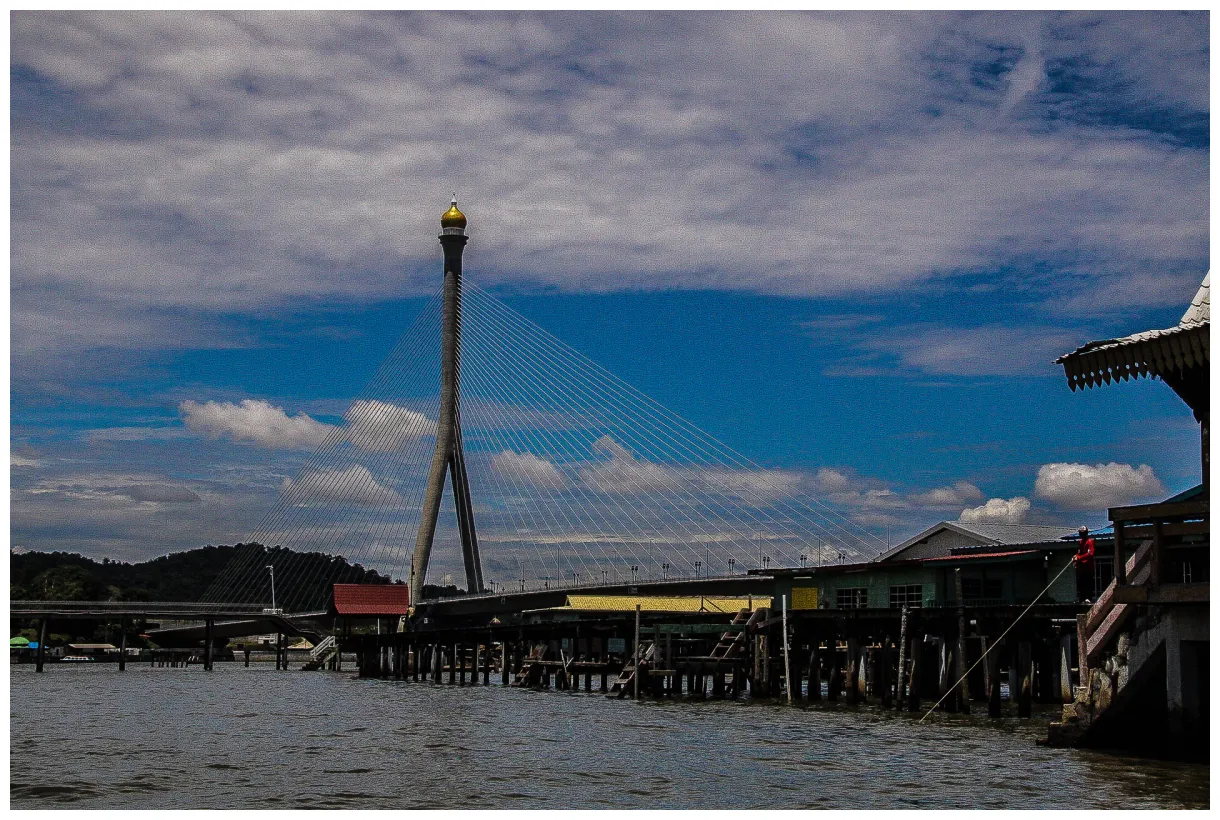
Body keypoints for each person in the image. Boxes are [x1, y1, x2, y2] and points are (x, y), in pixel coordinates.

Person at [1074, 526, 1095, 603]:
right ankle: (1081, 599)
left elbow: (1090, 554)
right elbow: (1079, 553)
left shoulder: (1089, 542)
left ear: (1086, 533)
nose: (1081, 535)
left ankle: (1088, 598)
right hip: (1081, 568)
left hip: (1088, 568)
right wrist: (1075, 556)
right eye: (1080, 533)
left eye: (1083, 533)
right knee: (1081, 583)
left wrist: (1079, 558)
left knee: (1088, 583)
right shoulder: (1081, 542)